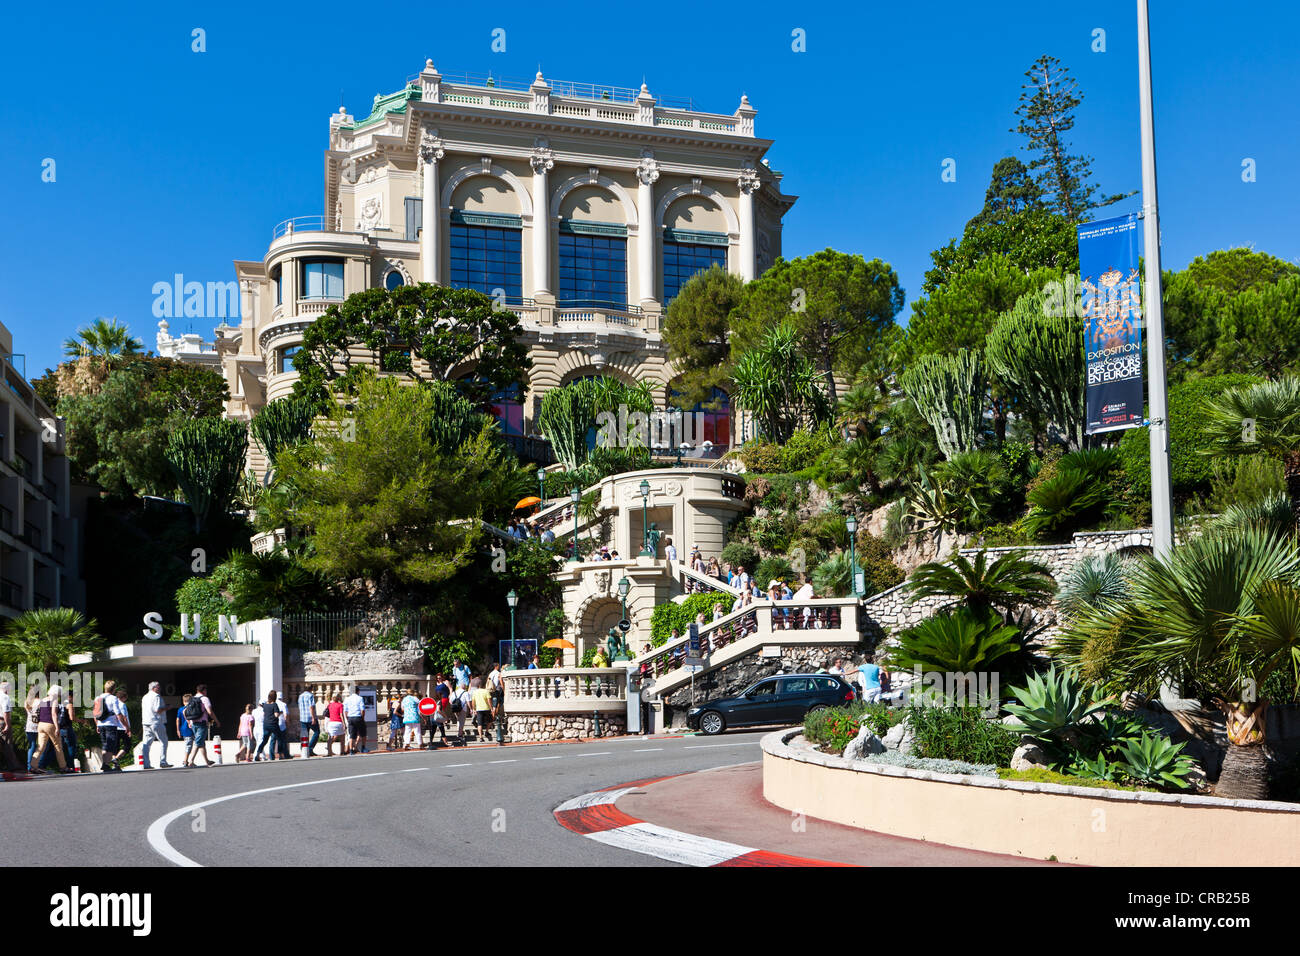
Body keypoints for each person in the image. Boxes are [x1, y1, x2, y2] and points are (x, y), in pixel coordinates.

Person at [29, 685, 69, 773]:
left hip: (41, 725)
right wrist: (57, 727)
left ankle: (33, 766)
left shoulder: (43, 699)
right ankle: (63, 767)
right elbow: (53, 714)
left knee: (40, 747)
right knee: (58, 746)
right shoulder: (53, 700)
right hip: (50, 724)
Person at [96, 681, 131, 772]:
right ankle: (106, 765)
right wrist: (125, 726)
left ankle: (105, 764)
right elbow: (118, 713)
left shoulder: (98, 698)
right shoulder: (113, 698)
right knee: (110, 746)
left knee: (105, 745)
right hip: (110, 724)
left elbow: (95, 713)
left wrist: (97, 725)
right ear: (113, 689)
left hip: (101, 724)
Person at [183, 683, 217, 767]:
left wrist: (189, 722)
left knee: (201, 742)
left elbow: (184, 711)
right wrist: (216, 720)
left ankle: (207, 761)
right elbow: (209, 712)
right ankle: (191, 761)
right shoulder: (205, 699)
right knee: (198, 742)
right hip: (202, 723)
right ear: (204, 691)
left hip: (193, 723)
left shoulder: (192, 699)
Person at [141, 681, 170, 769]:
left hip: (146, 722)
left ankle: (146, 764)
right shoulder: (156, 696)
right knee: (163, 742)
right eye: (158, 687)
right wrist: (167, 707)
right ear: (154, 688)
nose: (160, 688)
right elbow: (157, 709)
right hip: (156, 721)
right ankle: (163, 761)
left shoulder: (145, 697)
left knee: (146, 743)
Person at [255, 691, 286, 760]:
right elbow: (276, 715)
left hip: (266, 725)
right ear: (275, 697)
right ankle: (280, 754)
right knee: (279, 739)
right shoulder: (274, 704)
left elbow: (264, 714)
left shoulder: (265, 704)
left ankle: (257, 753)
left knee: (264, 740)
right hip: (273, 725)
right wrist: (280, 712)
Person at [343, 686, 367, 754]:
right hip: (358, 717)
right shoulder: (360, 698)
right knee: (363, 733)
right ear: (357, 691)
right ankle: (363, 747)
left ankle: (351, 750)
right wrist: (362, 719)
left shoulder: (347, 699)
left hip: (350, 717)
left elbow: (345, 710)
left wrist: (347, 718)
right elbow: (362, 710)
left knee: (352, 735)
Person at [298, 686, 320, 757]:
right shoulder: (310, 695)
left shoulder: (300, 696)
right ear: (311, 689)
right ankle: (310, 748)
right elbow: (311, 707)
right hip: (310, 717)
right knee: (317, 732)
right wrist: (313, 717)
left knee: (305, 735)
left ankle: (303, 749)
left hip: (303, 717)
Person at [177, 693, 195, 763]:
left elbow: (177, 720)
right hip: (189, 729)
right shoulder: (191, 708)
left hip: (184, 729)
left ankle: (190, 761)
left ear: (183, 701)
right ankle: (185, 760)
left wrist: (178, 730)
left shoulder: (180, 709)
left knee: (190, 745)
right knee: (189, 745)